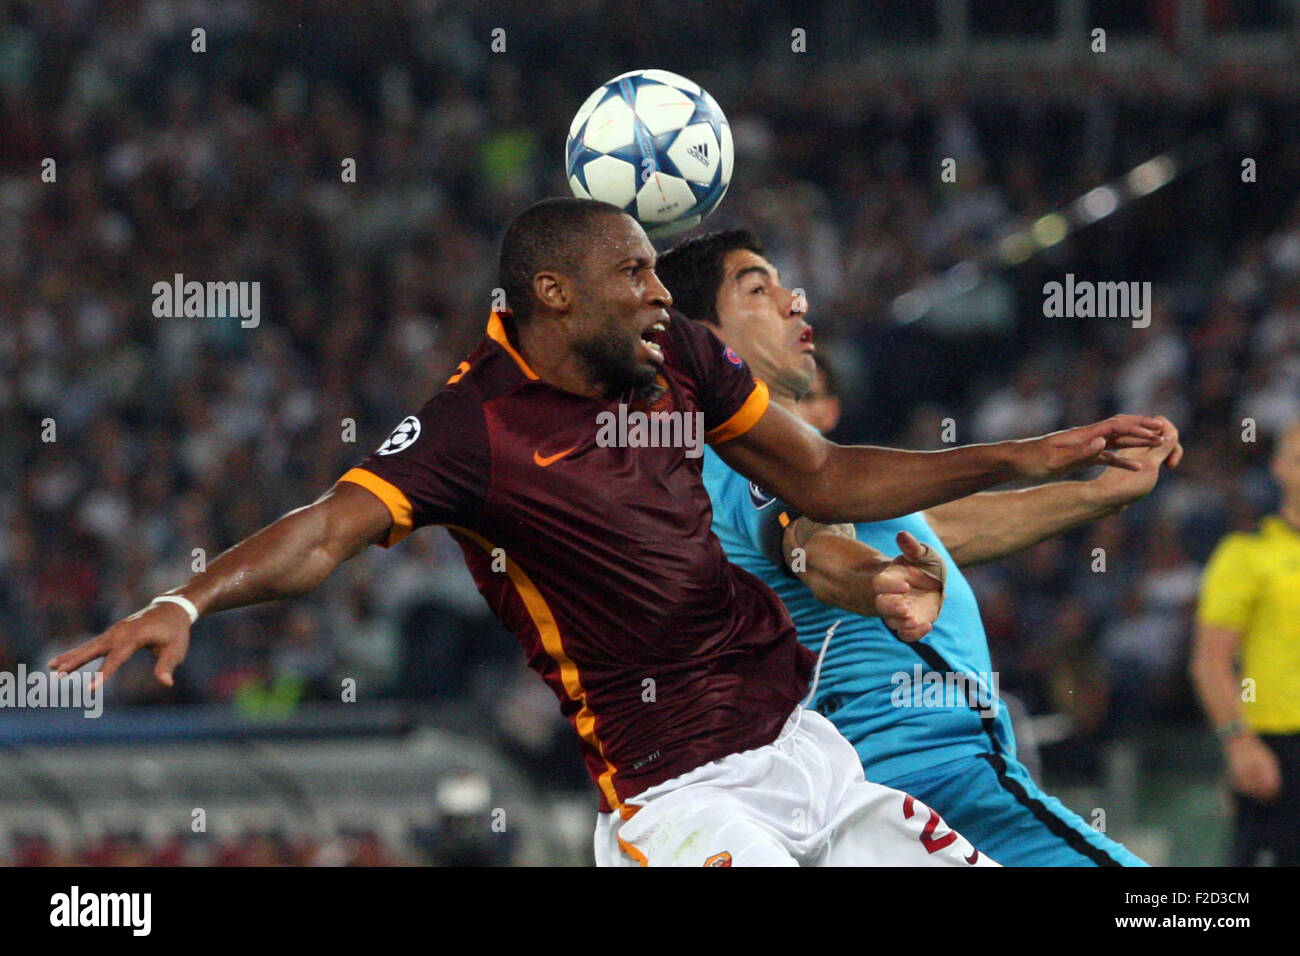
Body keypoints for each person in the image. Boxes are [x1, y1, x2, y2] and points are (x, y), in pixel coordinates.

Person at [51, 198, 1169, 867]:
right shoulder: (469, 430)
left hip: (810, 753)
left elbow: (822, 473)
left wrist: (1023, 451)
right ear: (553, 293)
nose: (653, 292)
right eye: (631, 273)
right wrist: (187, 598)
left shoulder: (678, 359)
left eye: (654, 270)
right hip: (679, 795)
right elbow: (323, 531)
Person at [657, 228, 1183, 866]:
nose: (795, 300)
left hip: (877, 788)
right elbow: (817, 551)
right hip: (934, 773)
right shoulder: (748, 459)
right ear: (708, 342)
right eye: (758, 291)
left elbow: (947, 530)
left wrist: (1099, 495)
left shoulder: (754, 462)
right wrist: (882, 581)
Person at [1193, 420, 1300, 866]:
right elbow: (1210, 661)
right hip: (1280, 749)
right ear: (1279, 468)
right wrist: (1240, 743)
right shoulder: (1246, 553)